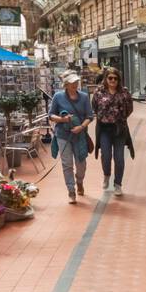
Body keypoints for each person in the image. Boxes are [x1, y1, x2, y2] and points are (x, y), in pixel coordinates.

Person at [49, 70, 93, 204]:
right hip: (63, 135)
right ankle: (71, 190)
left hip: (79, 135)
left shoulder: (84, 97)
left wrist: (81, 127)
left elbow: (89, 116)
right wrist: (62, 120)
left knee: (81, 164)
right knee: (67, 164)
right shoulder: (58, 97)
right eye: (72, 82)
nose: (75, 84)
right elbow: (51, 115)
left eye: (76, 82)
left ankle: (79, 181)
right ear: (66, 84)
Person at [92, 67, 133, 195]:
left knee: (119, 158)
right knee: (106, 156)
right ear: (106, 78)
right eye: (110, 78)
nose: (113, 80)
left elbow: (130, 108)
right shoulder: (99, 92)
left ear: (119, 79)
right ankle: (106, 175)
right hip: (104, 129)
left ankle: (117, 184)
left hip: (119, 129)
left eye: (115, 78)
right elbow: (94, 106)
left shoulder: (124, 92)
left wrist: (121, 117)